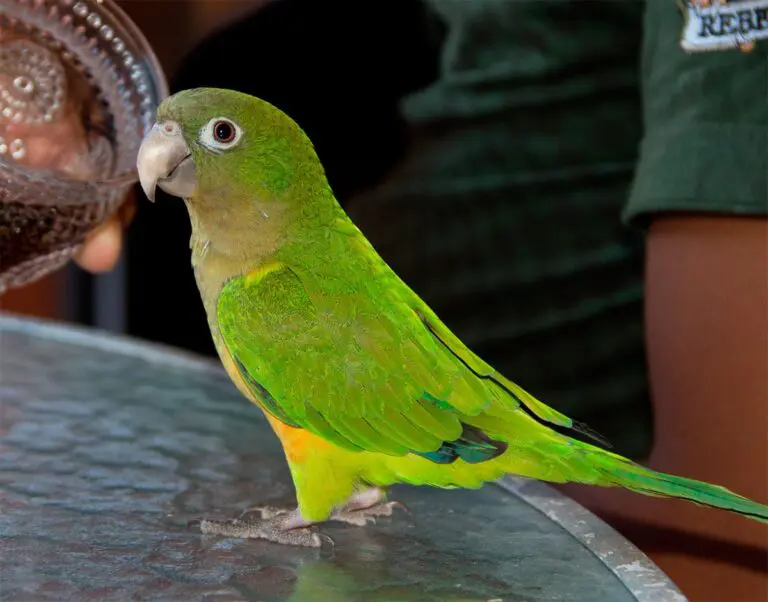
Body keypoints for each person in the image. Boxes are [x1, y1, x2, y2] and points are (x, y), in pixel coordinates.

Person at [88, 1, 767, 599]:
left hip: (479, 448)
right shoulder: (292, 260)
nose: (164, 147)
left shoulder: (264, 300)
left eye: (220, 135)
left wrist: (298, 517)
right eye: (170, 129)